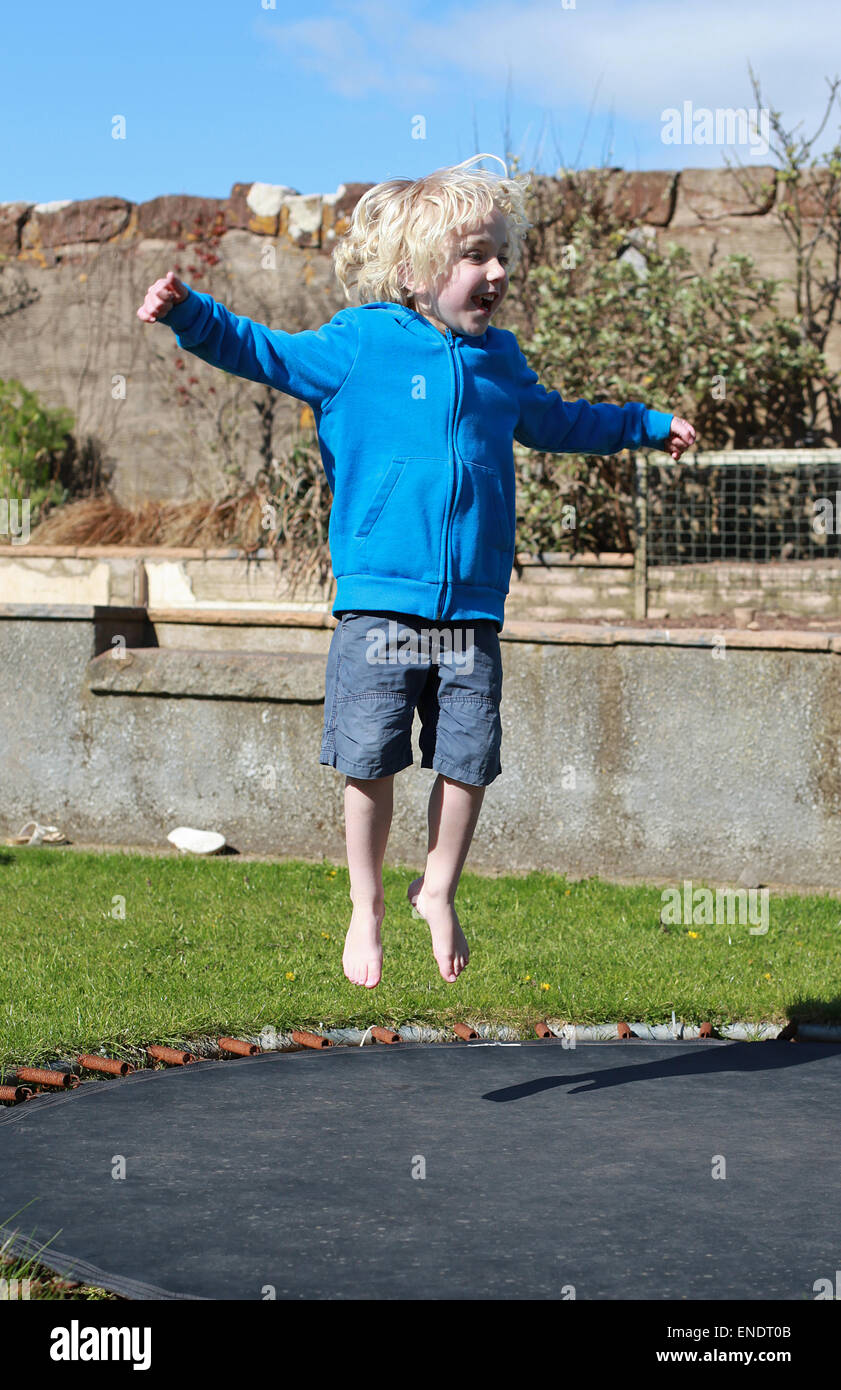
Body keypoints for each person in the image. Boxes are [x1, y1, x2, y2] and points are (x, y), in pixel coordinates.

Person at [137, 153, 696, 991]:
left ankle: (436, 889)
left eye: (500, 254)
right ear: (413, 269)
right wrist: (192, 315)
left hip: (470, 610)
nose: (497, 272)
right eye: (475, 255)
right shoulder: (359, 344)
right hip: (381, 609)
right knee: (370, 758)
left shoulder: (498, 362)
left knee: (468, 759)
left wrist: (643, 425)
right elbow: (264, 352)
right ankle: (365, 905)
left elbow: (558, 421)